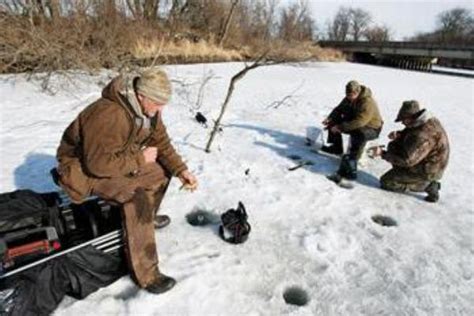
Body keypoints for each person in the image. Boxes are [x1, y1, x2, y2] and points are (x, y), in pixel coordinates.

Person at [56, 68, 198, 294]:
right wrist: (139, 159)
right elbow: (97, 165)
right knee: (136, 197)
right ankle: (148, 274)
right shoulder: (109, 114)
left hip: (114, 159)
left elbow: (161, 143)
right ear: (141, 96)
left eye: (163, 103)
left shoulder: (148, 112)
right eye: (158, 103)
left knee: (161, 172)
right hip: (82, 170)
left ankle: (144, 222)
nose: (161, 109)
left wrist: (181, 171)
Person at [371, 100, 449, 202]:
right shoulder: (422, 121)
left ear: (411, 117)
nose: (402, 122)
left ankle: (427, 185)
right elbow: (412, 131)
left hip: (429, 170)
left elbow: (407, 161)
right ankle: (405, 174)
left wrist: (382, 154)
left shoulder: (423, 134)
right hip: (425, 160)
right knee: (394, 146)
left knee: (386, 181)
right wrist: (400, 134)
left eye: (403, 120)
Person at [322, 80, 383, 180]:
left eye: (352, 95)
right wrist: (330, 118)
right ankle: (336, 148)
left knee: (359, 134)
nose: (349, 97)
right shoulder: (348, 98)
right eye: (348, 95)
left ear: (358, 93)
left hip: (372, 128)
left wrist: (340, 127)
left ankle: (353, 159)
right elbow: (339, 109)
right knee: (334, 121)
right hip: (356, 122)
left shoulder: (367, 102)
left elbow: (360, 122)